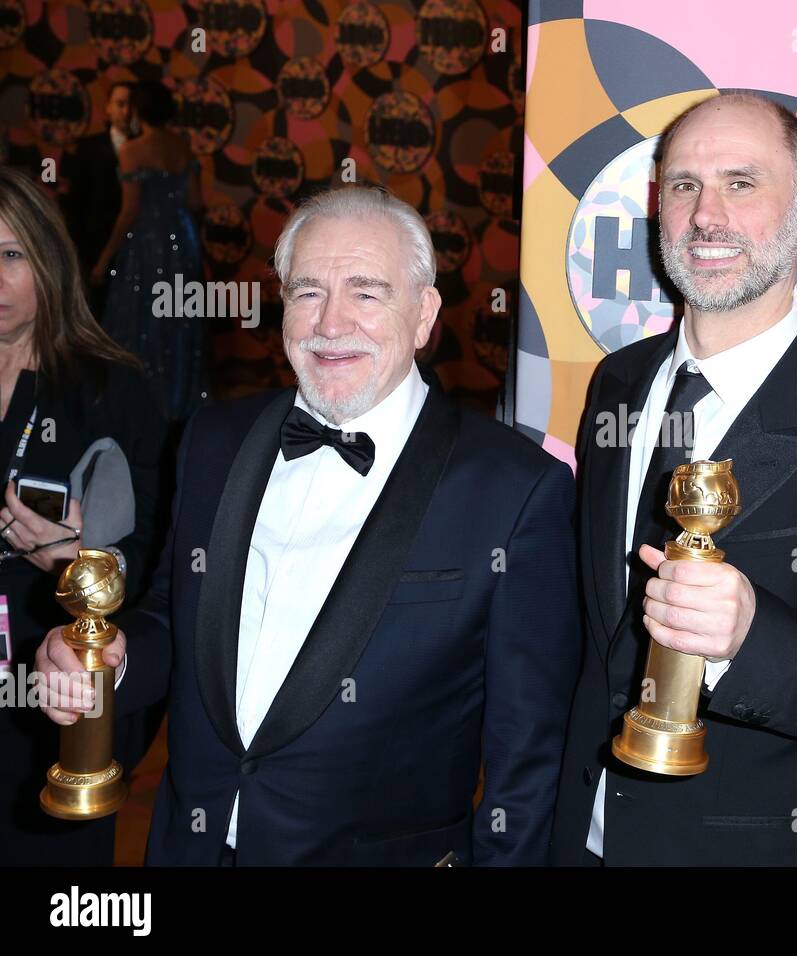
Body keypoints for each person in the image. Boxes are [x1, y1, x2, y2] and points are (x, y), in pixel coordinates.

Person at [36, 186, 581, 866]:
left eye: (367, 292)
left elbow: (529, 754)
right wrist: (104, 664)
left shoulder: (515, 489)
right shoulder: (213, 439)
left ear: (424, 315)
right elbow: (175, 621)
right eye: (307, 292)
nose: (330, 323)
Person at [550, 92, 797, 866]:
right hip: (586, 838)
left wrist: (745, 640)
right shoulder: (619, 386)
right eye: (685, 185)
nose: (706, 217)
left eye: (742, 183)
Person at [0, 165, 166, 865]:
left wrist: (78, 562)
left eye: (9, 257)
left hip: (52, 689)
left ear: (49, 259)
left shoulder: (112, 388)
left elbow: (157, 559)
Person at [94, 79, 205, 421]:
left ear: (139, 111)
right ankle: (175, 402)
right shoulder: (183, 147)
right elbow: (195, 202)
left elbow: (129, 212)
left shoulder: (131, 151)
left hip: (147, 248)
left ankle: (138, 408)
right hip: (183, 244)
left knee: (141, 323)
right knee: (177, 321)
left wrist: (102, 260)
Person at [59, 80, 135, 320]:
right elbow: (76, 201)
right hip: (94, 244)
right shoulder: (89, 147)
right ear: (108, 108)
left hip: (135, 245)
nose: (127, 111)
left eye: (131, 105)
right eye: (120, 104)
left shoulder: (148, 148)